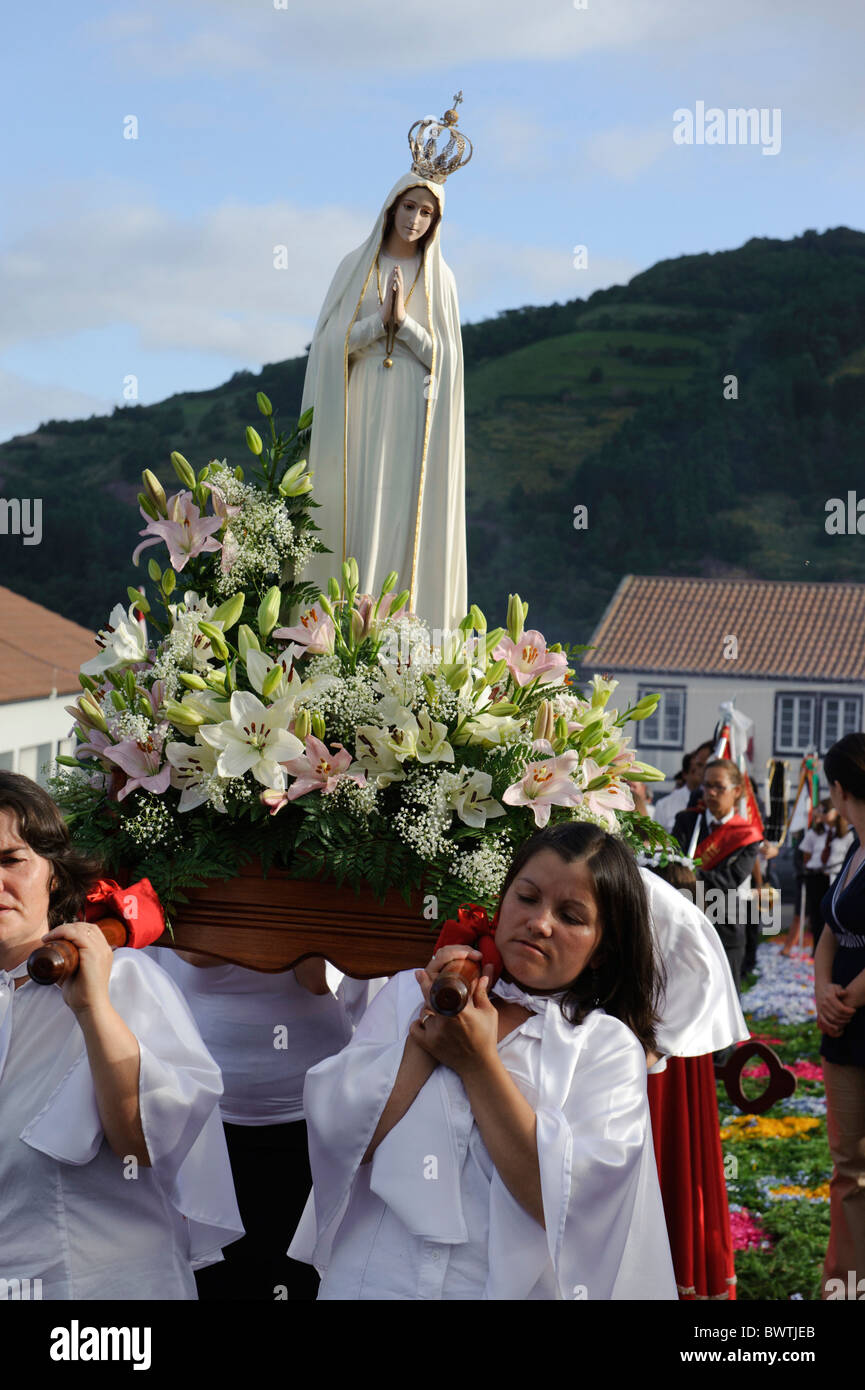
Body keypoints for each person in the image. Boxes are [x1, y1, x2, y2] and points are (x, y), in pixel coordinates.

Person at [289, 823, 677, 1299]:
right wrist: (425, 1035)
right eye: (527, 897)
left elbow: (559, 1199)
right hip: (375, 1275)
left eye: (572, 916)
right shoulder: (412, 995)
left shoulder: (606, 1049)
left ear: (602, 950)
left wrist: (477, 1064)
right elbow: (344, 1138)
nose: (540, 922)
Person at [0, 772, 243, 1299]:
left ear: (55, 877)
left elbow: (142, 1142)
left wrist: (92, 1009)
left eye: (10, 860)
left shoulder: (124, 980)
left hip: (98, 1290)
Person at [301, 169, 467, 636]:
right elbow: (328, 345)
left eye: (426, 212)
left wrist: (405, 325)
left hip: (415, 408)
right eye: (409, 207)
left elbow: (448, 361)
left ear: (436, 222)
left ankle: (397, 633)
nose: (415, 219)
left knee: (401, 511)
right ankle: (339, 625)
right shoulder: (356, 267)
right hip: (359, 404)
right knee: (353, 504)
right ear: (392, 207)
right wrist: (378, 324)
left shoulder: (442, 279)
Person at [148, 945, 353, 1300]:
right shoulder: (166, 895)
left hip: (309, 1109)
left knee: (297, 1269)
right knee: (217, 1269)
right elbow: (194, 955)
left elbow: (315, 980)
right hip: (204, 1115)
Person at [813, 733, 865, 1298]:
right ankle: (847, 1287)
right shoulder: (854, 847)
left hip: (852, 1012)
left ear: (839, 788)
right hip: (844, 1024)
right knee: (848, 1168)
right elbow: (829, 928)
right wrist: (822, 985)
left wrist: (844, 997)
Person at [672, 757, 763, 994]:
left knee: (726, 999)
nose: (711, 793)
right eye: (706, 785)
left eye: (718, 787)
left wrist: (688, 874)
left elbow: (730, 880)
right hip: (687, 923)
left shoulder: (747, 834)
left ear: (736, 791)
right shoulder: (687, 821)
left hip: (726, 925)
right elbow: (672, 865)